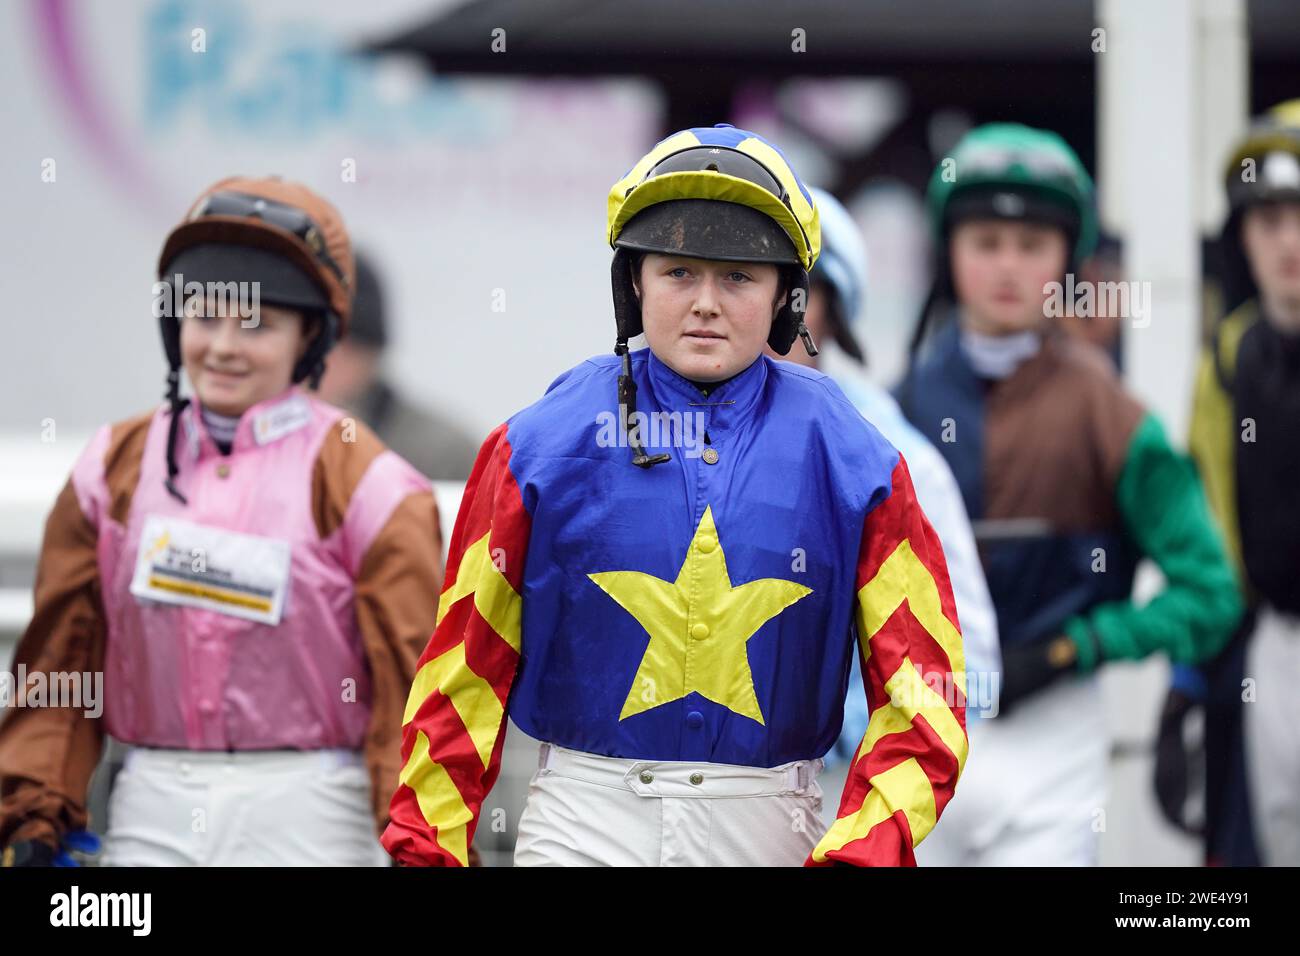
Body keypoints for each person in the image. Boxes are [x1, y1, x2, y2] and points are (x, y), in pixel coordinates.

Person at [382, 124, 968, 867]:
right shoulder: (537, 445)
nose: (706, 304)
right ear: (634, 281)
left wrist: (860, 854)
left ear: (790, 294)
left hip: (771, 826)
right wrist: (422, 850)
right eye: (679, 273)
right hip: (582, 823)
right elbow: (461, 675)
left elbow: (927, 695)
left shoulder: (857, 458)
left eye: (738, 278)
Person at [0, 177, 442, 866]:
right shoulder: (107, 469)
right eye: (205, 318)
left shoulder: (372, 484)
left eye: (257, 325)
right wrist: (34, 819)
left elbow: (409, 686)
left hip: (315, 817)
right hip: (150, 808)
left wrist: (420, 844)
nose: (224, 348)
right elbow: (63, 660)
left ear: (310, 338)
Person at [896, 123, 1242, 866]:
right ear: (949, 252)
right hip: (910, 733)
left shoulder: (1112, 413)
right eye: (986, 242)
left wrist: (1075, 647)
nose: (1009, 266)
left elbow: (1210, 592)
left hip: (1054, 748)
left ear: (1068, 259)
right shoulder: (897, 410)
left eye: (1032, 246)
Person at [766, 187, 999, 762]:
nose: (757, 306)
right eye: (735, 276)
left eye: (790, 286)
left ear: (834, 312)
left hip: (828, 800)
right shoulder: (641, 436)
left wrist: (829, 735)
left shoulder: (893, 457)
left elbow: (968, 668)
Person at [1158, 100, 1300, 866]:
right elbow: (1205, 531)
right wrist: (1186, 677)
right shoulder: (1229, 357)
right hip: (1273, 646)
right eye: (1269, 220)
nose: (1289, 241)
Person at [317, 251, 480, 482]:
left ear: (372, 353)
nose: (324, 364)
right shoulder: (262, 437)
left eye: (341, 348)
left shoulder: (442, 451)